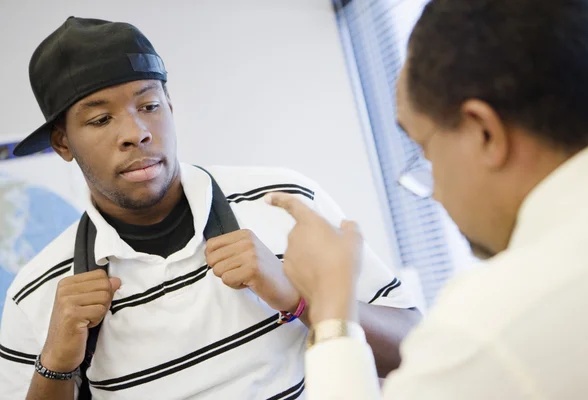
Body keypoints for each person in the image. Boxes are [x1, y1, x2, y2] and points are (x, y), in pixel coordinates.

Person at [0, 17, 421, 400]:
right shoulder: (34, 294)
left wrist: (300, 298)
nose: (136, 133)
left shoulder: (283, 202)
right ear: (62, 143)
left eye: (148, 106)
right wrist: (55, 364)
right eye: (100, 120)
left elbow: (415, 348)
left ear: (170, 107)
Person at [266, 0, 588, 398]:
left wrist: (329, 310)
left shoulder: (493, 323)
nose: (435, 191)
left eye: (424, 149)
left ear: (484, 133)